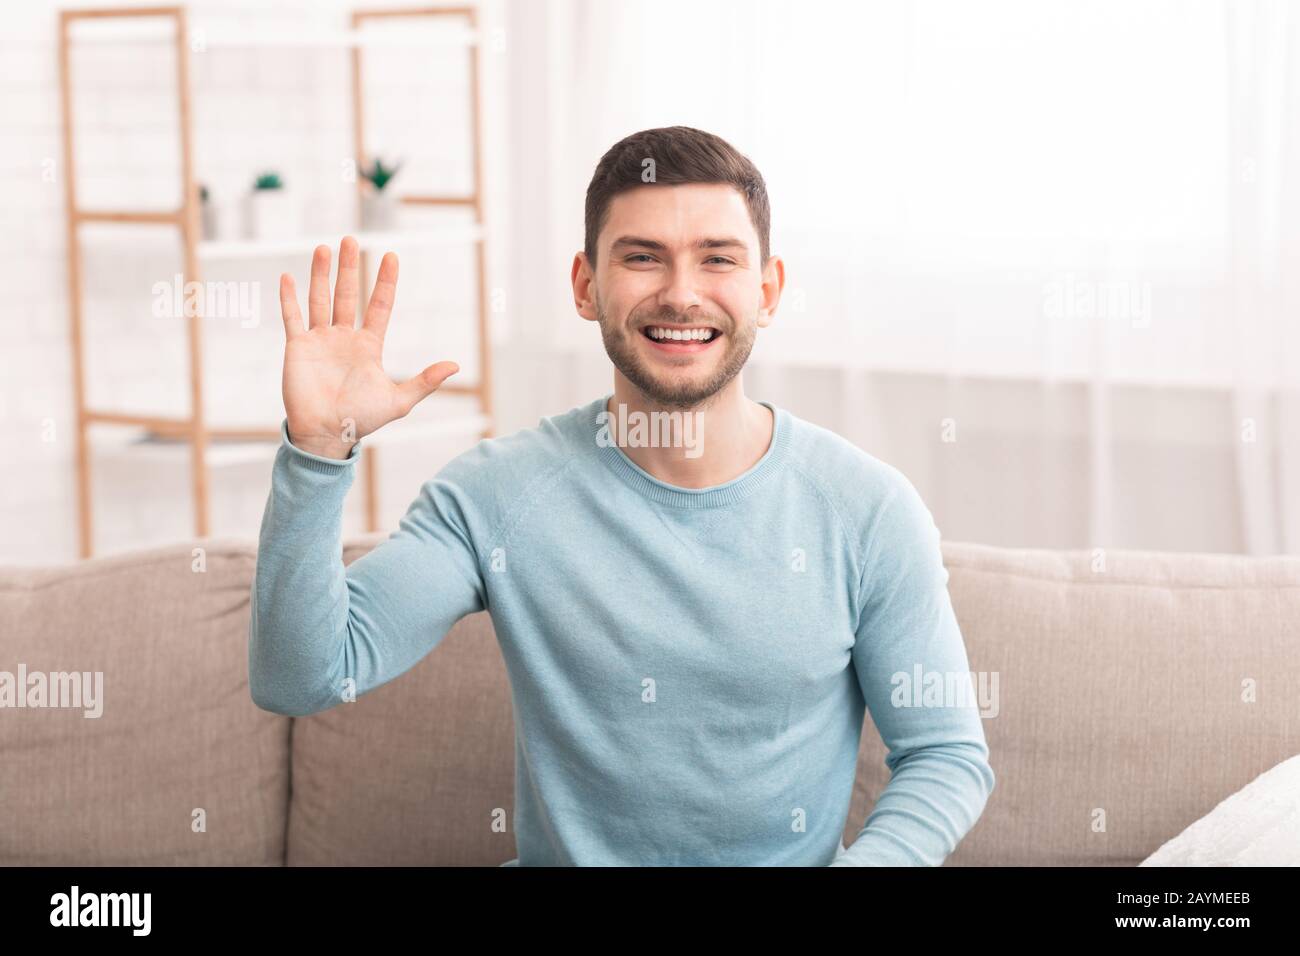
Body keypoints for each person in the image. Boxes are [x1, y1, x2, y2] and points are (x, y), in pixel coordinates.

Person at [248, 125, 994, 866]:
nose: (681, 294)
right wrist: (318, 449)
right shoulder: (494, 496)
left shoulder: (868, 511)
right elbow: (300, 677)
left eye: (718, 259)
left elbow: (945, 756)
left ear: (766, 292)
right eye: (642, 258)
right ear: (585, 286)